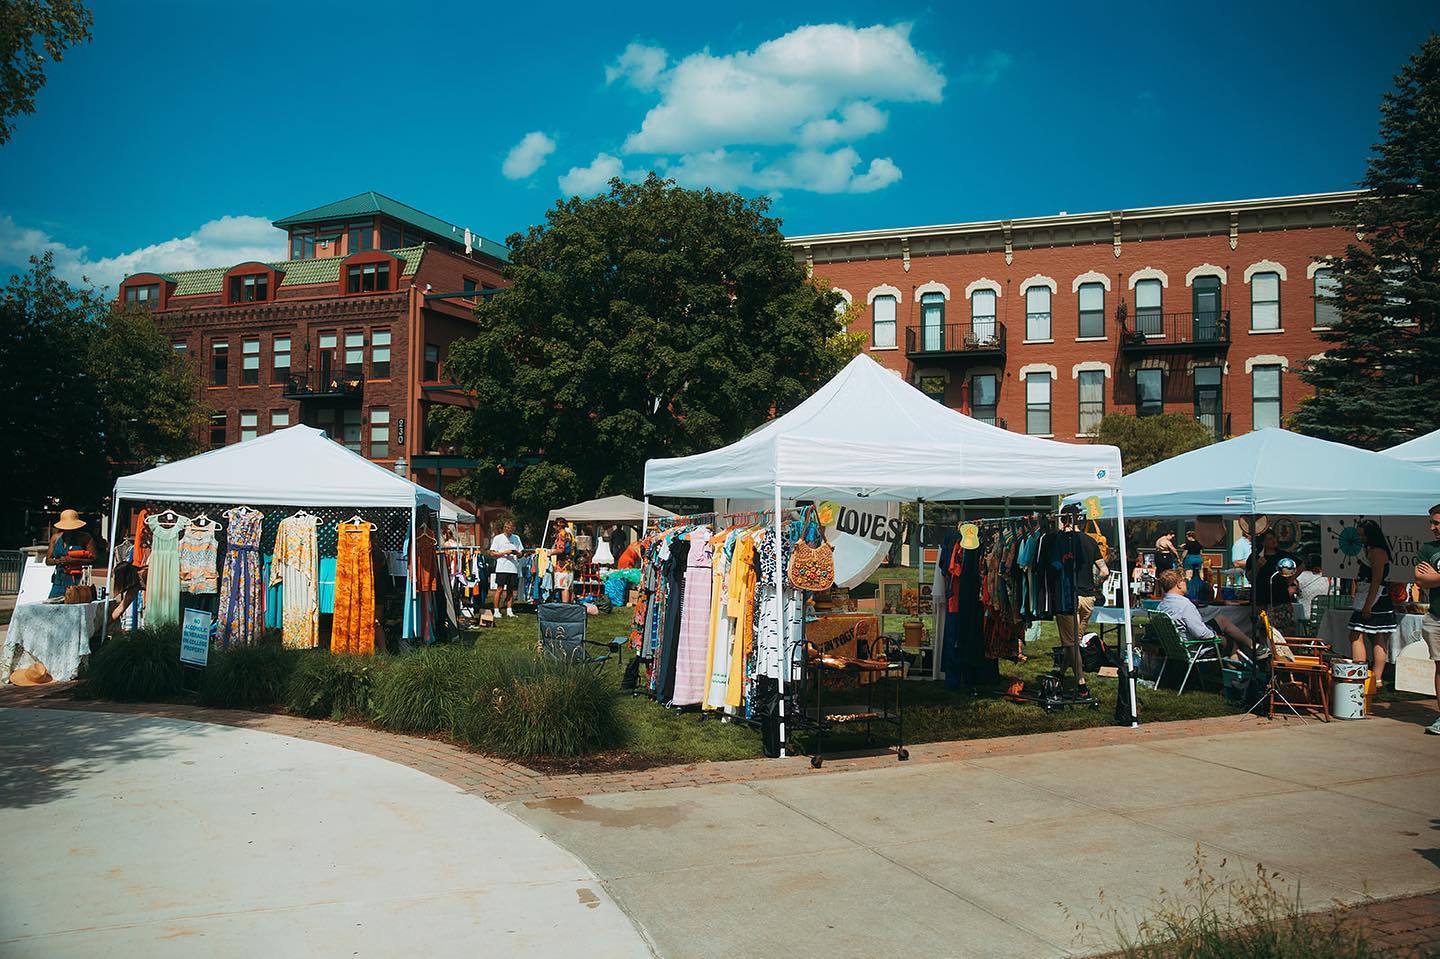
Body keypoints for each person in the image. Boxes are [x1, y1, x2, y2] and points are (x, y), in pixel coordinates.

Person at [1156, 568, 1266, 660]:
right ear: (1179, 585)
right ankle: (1236, 675)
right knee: (1229, 642)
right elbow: (1201, 633)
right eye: (1184, 581)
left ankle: (1253, 646)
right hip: (1193, 647)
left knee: (1221, 620)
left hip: (1174, 647)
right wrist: (1215, 635)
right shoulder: (1184, 605)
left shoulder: (1161, 606)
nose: (1186, 584)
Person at [1055, 505, 1106, 700]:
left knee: (1071, 643)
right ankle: (1061, 672)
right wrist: (1095, 585)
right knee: (1074, 641)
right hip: (1088, 598)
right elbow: (1104, 571)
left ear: (1064, 519)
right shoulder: (1091, 541)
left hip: (1068, 596)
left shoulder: (1060, 541)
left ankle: (1081, 684)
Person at [1349, 519, 1397, 688]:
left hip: (1374, 599)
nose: (1360, 538)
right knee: (1374, 637)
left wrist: (1368, 605)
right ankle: (1374, 678)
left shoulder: (1377, 552)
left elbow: (1376, 580)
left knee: (1357, 635)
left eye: (1363, 535)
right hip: (1370, 596)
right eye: (1359, 535)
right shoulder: (1370, 550)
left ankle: (1365, 675)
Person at [1412, 504, 1440, 735]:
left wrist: (1436, 576)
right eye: (1432, 522)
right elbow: (1420, 580)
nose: (1432, 527)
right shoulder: (1428, 548)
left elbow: (1430, 578)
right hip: (1436, 616)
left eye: (1437, 523)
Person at [1248, 527, 1299, 632]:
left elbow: (1300, 566)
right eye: (1270, 539)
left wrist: (1289, 581)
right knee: (1263, 629)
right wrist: (1257, 566)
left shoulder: (1282, 555)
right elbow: (1249, 577)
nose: (1273, 540)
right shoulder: (1255, 557)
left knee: (1283, 629)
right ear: (1263, 542)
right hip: (1261, 598)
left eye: (1274, 538)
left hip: (1280, 597)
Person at [45, 509, 96, 598]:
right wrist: (58, 561)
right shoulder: (55, 538)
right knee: (53, 603)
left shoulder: (86, 538)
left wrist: (74, 560)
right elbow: (48, 560)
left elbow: (94, 559)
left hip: (77, 580)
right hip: (59, 581)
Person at [488, 520, 522, 617]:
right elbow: (492, 553)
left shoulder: (516, 538)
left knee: (511, 590)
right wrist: (504, 552)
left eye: (512, 529)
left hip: (513, 567)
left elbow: (521, 553)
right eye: (508, 529)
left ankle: (509, 610)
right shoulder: (498, 538)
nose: (510, 531)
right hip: (502, 567)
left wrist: (516, 553)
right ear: (505, 528)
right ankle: (496, 610)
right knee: (500, 589)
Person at [1293, 554, 1330, 621]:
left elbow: (1291, 591)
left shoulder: (1299, 576)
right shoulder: (1328, 578)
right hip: (1321, 618)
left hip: (1303, 617)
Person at [548, 517, 577, 602]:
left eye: (555, 525)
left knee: (564, 587)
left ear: (559, 526)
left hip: (562, 565)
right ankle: (571, 606)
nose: (554, 527)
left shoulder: (561, 534)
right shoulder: (570, 534)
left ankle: (565, 607)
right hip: (570, 564)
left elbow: (560, 550)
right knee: (570, 587)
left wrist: (550, 553)